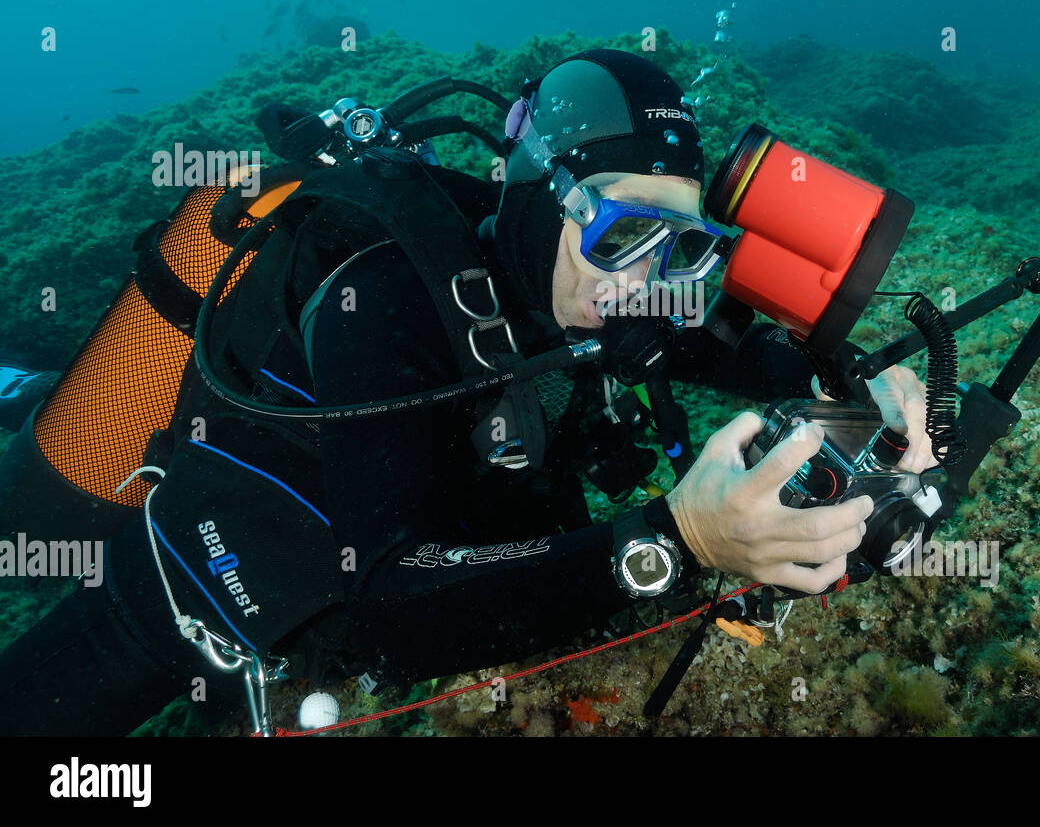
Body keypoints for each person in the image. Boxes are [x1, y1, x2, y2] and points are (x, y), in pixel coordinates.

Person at [0, 49, 934, 735]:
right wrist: (678, 539)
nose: (647, 284)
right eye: (620, 235)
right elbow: (390, 611)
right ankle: (26, 395)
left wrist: (861, 386)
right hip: (178, 608)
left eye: (682, 247)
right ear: (537, 196)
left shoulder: (589, 286)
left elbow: (721, 351)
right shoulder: (384, 293)